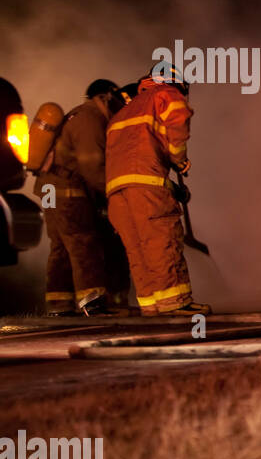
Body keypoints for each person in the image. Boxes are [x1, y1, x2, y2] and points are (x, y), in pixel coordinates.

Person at [105, 63, 210, 315]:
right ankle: (175, 304)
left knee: (138, 247)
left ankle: (152, 307)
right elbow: (178, 120)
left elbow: (135, 152)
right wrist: (178, 159)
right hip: (146, 186)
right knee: (162, 240)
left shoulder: (122, 113)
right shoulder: (165, 94)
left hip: (117, 192)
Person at [38, 80, 119, 315]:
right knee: (83, 242)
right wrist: (113, 193)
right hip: (67, 192)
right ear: (104, 97)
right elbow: (92, 165)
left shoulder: (77, 115)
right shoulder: (89, 118)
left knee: (61, 246)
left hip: (49, 190)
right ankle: (91, 303)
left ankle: (59, 303)